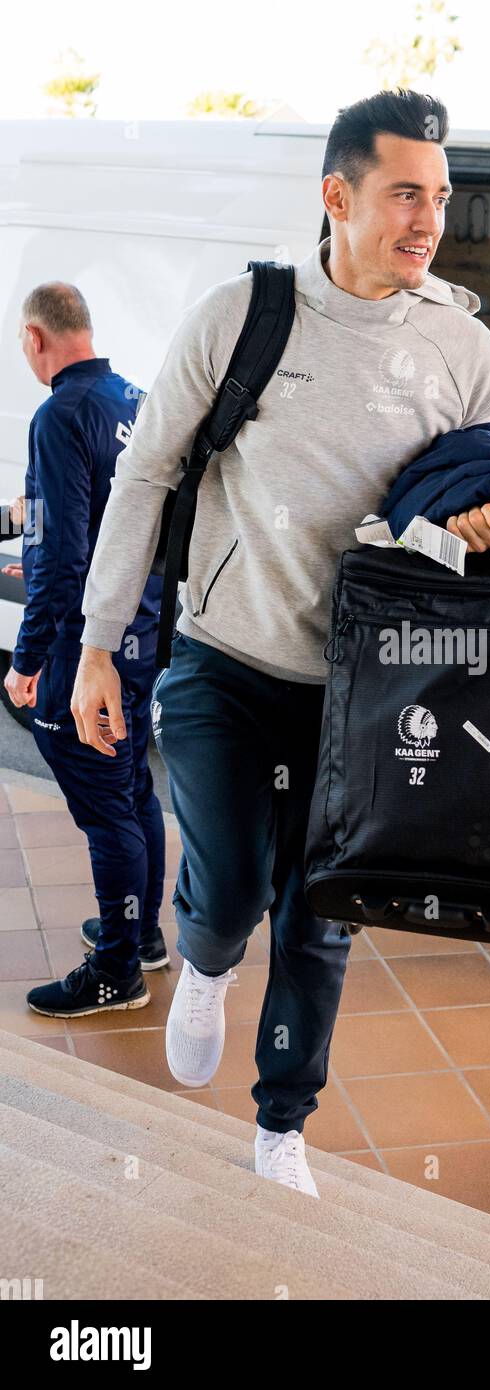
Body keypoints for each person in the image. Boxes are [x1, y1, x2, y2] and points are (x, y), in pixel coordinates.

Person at [71, 88, 490, 1198]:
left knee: (323, 919)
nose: (427, 220)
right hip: (223, 661)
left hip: (364, 694)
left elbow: (468, 530)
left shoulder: (461, 348)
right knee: (225, 899)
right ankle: (208, 959)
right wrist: (95, 641)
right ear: (336, 195)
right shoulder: (243, 316)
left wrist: (476, 527)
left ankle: (282, 1127)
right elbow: (148, 471)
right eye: (404, 193)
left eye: (440, 198)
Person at [2, 282, 168, 1018]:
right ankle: (145, 936)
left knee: (106, 811)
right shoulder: (133, 400)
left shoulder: (59, 414)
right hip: (140, 632)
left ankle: (115, 970)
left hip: (85, 648)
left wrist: (26, 661)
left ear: (36, 339)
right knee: (133, 789)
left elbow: (60, 556)